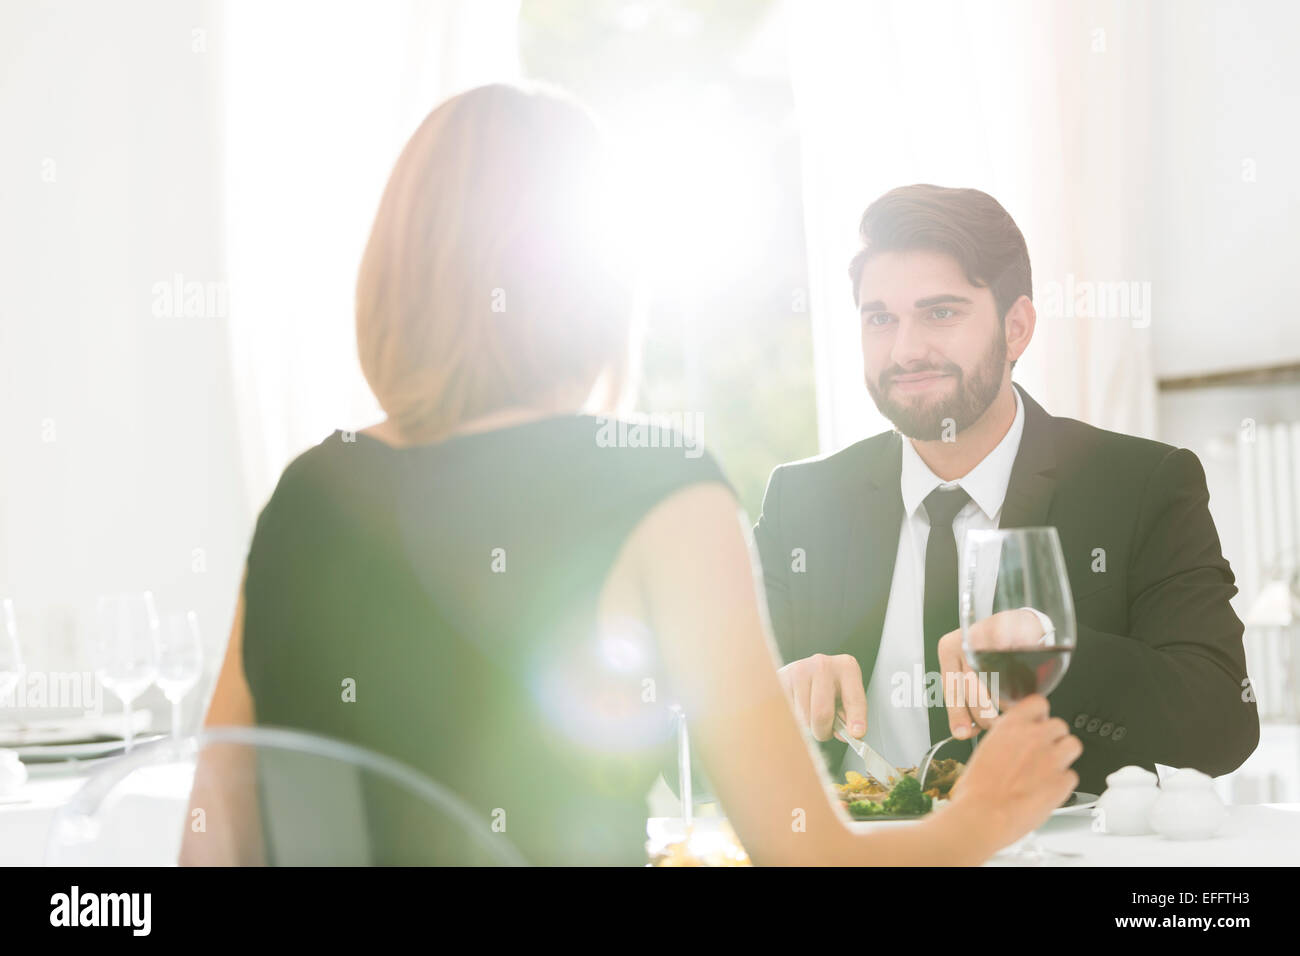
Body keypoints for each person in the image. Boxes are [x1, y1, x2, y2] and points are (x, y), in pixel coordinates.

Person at [197, 87, 1080, 865]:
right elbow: (805, 856)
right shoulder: (659, 486)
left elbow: (212, 844)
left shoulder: (309, 493)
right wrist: (983, 816)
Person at [757, 184, 1259, 794]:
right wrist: (773, 699)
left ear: (1016, 327)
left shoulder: (1141, 485)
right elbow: (694, 741)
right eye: (880, 318)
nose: (906, 349)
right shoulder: (801, 502)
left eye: (940, 312)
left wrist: (1053, 653)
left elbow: (1222, 725)